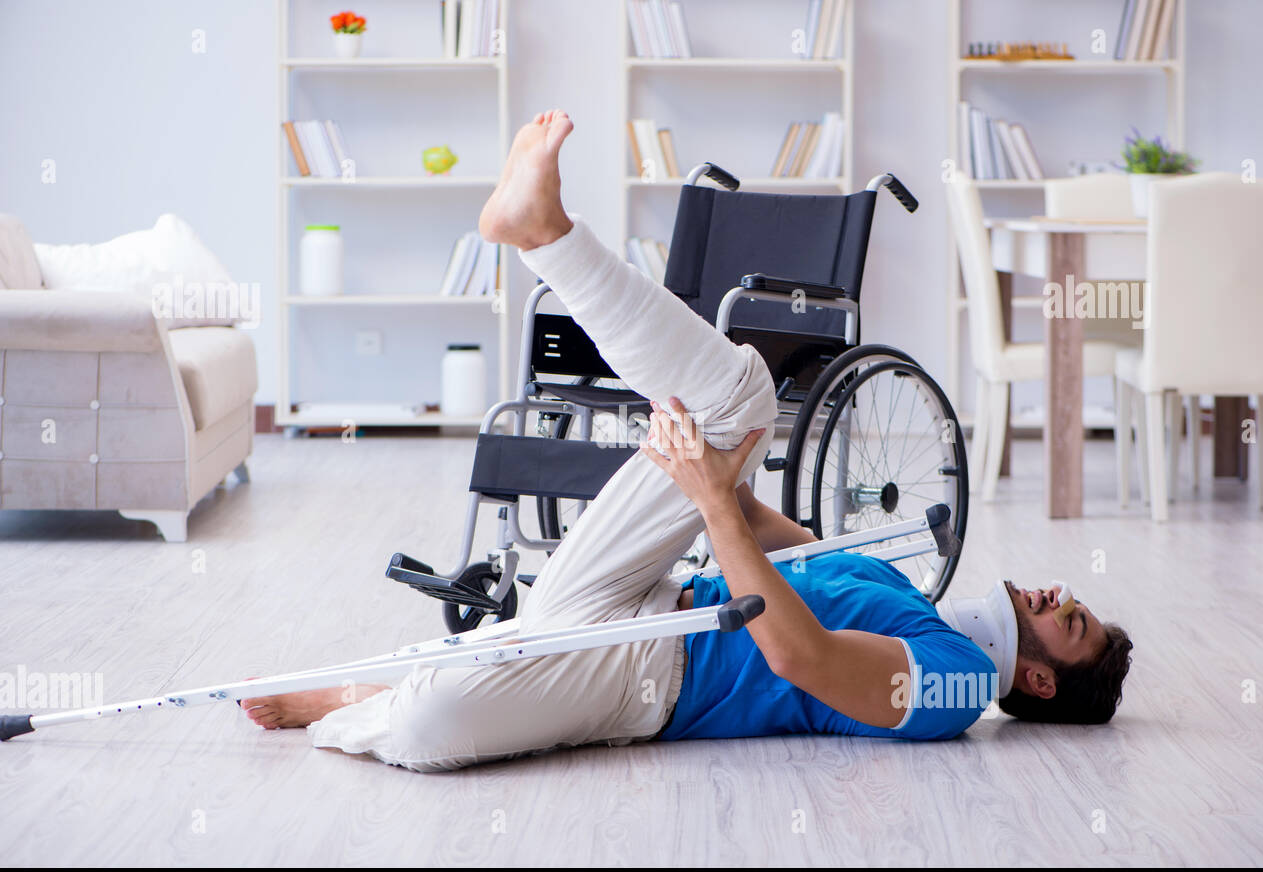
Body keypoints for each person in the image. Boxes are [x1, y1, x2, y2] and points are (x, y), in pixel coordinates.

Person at [240, 110, 1133, 770]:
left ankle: (355, 699)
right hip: (654, 587)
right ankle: (542, 233)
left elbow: (800, 656)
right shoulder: (911, 597)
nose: (1059, 595)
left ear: (1042, 682)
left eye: (1072, 620)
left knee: (433, 731)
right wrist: (723, 482)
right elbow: (801, 555)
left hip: (652, 675)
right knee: (741, 394)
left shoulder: (954, 687)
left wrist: (711, 498)